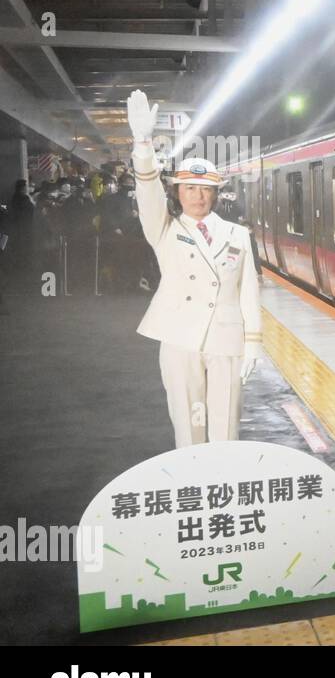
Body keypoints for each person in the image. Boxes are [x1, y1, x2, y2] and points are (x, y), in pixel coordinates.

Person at [127, 89, 262, 449]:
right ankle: (193, 485)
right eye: (190, 188)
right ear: (177, 192)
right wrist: (143, 145)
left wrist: (252, 345)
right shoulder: (164, 229)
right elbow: (147, 194)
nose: (198, 196)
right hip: (179, 337)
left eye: (205, 190)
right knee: (187, 424)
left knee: (226, 427)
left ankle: (224, 487)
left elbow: (248, 294)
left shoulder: (237, 235)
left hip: (226, 338)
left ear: (216, 193)